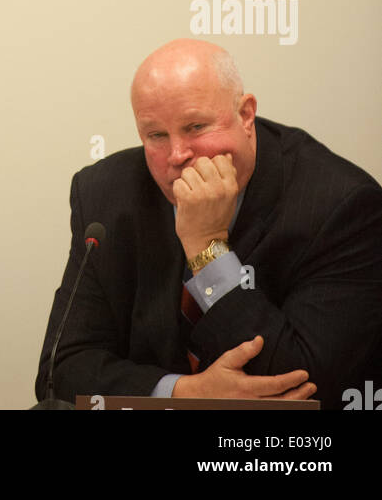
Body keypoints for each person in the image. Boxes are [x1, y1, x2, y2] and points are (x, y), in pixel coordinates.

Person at [35, 39, 382, 410]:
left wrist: (207, 248)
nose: (177, 156)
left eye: (196, 127)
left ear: (246, 114)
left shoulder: (341, 207)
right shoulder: (105, 196)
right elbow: (61, 372)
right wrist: (186, 394)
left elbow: (302, 388)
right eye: (156, 135)